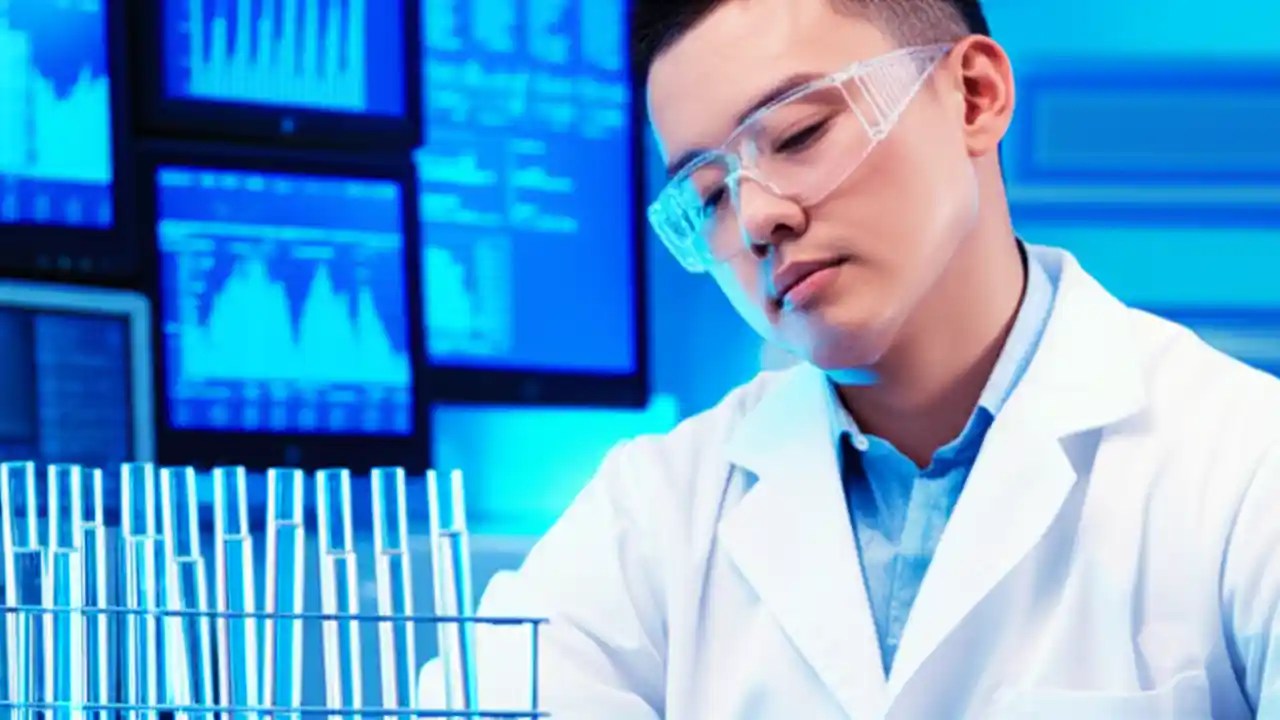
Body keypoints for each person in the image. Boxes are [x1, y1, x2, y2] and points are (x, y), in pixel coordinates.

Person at [419, 0, 1280, 717]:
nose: (757, 220)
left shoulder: (1241, 466)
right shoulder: (656, 510)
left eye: (797, 135)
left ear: (975, 96)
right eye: (709, 194)